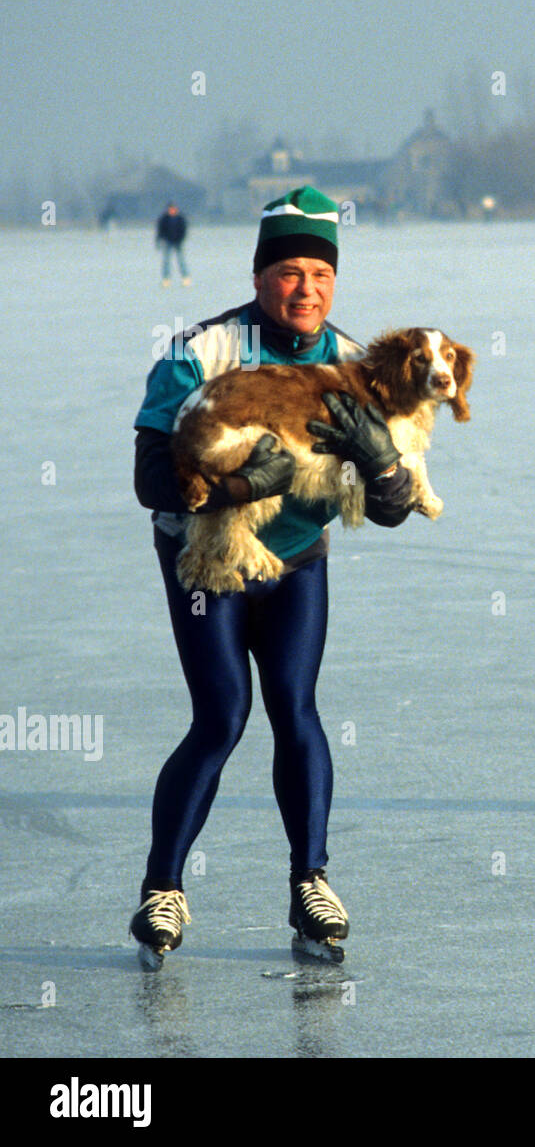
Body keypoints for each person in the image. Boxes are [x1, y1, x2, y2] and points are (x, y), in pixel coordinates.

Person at [129, 185, 418, 961]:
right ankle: (163, 891)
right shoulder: (200, 352)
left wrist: (386, 467)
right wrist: (239, 487)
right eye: (289, 272)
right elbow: (152, 477)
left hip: (296, 556)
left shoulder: (357, 365)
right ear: (259, 279)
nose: (306, 289)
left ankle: (310, 881)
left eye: (321, 274)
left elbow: (386, 506)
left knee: (295, 707)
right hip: (207, 555)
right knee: (222, 715)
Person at [155, 202, 190, 287]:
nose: (172, 211)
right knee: (166, 261)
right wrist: (159, 240)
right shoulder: (164, 219)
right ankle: (166, 279)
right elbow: (160, 231)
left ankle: (185, 278)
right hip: (168, 242)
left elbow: (183, 230)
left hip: (178, 242)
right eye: (170, 209)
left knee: (181, 261)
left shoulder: (180, 218)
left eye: (173, 209)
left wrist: (181, 239)